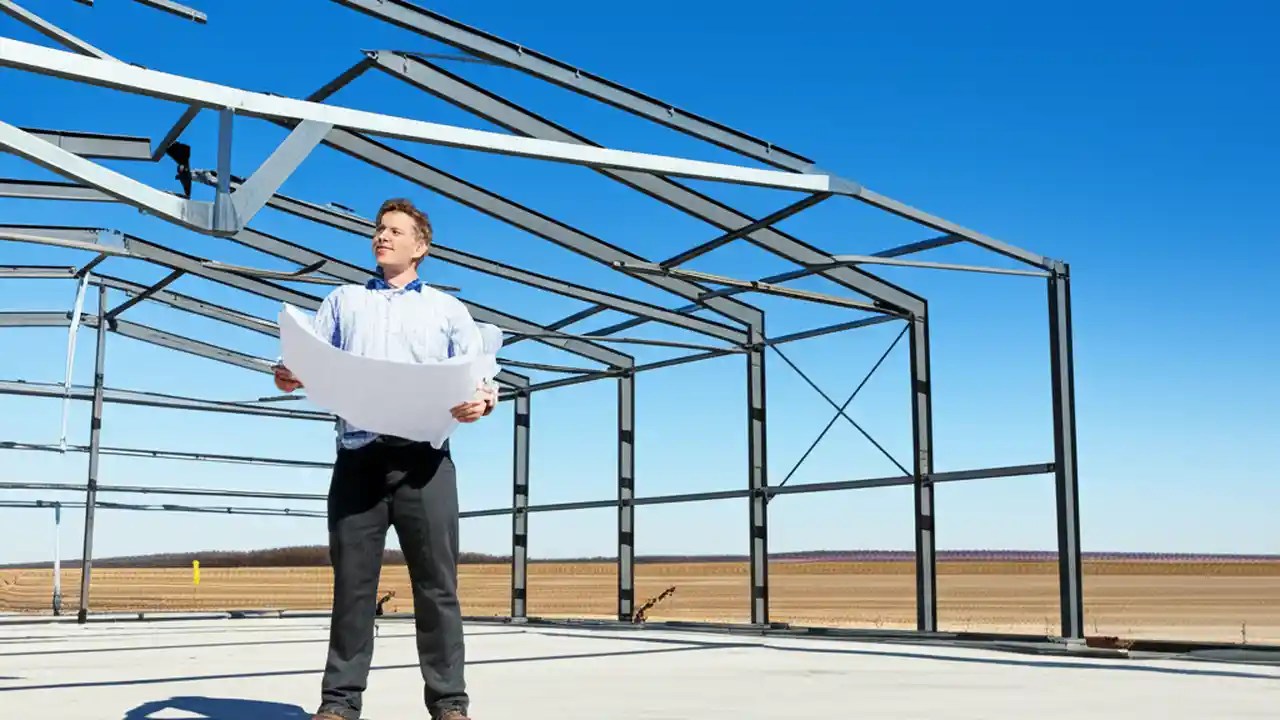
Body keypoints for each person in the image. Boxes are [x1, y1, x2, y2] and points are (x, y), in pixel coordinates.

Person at [272, 197, 497, 720]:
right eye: (378, 229)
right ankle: (339, 704)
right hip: (359, 460)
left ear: (421, 246)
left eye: (395, 230)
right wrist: (287, 373)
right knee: (352, 587)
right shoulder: (344, 301)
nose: (382, 236)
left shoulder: (447, 310)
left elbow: (481, 376)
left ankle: (449, 704)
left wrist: (483, 400)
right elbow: (306, 359)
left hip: (426, 463)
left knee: (437, 587)